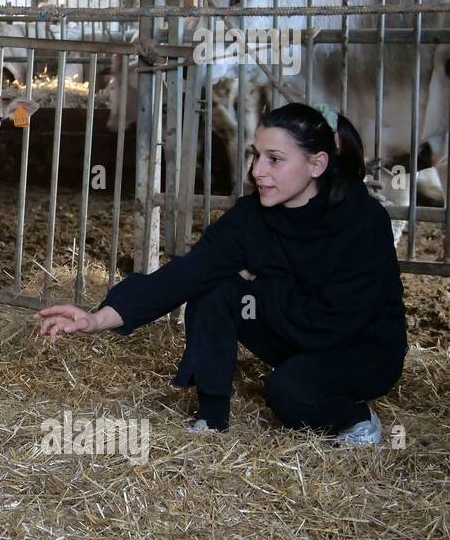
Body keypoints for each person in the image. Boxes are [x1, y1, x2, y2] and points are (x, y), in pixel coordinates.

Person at [38, 103, 406, 445]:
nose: (257, 171)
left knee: (290, 392)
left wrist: (263, 287)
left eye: (274, 160)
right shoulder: (250, 218)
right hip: (297, 329)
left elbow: (338, 317)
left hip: (359, 348)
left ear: (317, 164)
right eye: (256, 156)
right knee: (214, 287)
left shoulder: (362, 221)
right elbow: (185, 274)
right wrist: (98, 318)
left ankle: (356, 416)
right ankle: (212, 417)